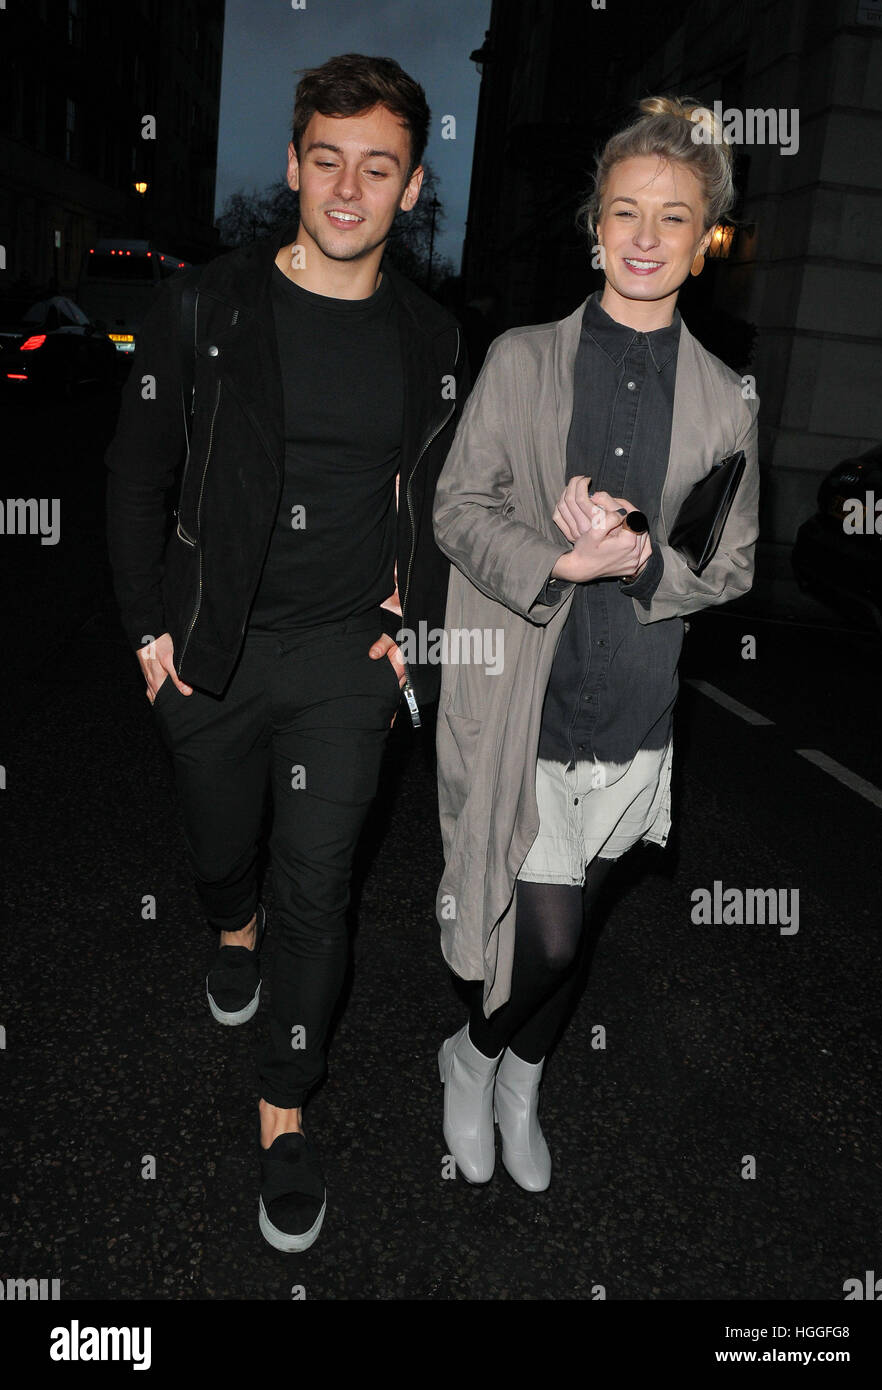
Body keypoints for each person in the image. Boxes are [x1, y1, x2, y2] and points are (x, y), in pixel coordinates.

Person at [106, 53, 469, 1251]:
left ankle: (284, 1108)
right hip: (210, 643)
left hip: (341, 664)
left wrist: (410, 627)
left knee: (320, 889)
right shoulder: (206, 304)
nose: (351, 189)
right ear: (295, 166)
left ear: (413, 186)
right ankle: (228, 925)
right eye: (329, 161)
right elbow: (134, 473)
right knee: (226, 850)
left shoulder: (430, 336)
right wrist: (149, 631)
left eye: (380, 168)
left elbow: (437, 495)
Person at [432, 96, 759, 1191]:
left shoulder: (726, 400)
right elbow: (456, 506)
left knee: (581, 926)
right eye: (626, 210)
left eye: (675, 216)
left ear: (705, 238)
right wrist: (556, 561)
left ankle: (524, 1074)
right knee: (554, 937)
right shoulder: (524, 359)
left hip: (636, 716)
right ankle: (472, 1056)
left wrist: (641, 563)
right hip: (529, 700)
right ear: (595, 226)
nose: (646, 235)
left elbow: (733, 561)